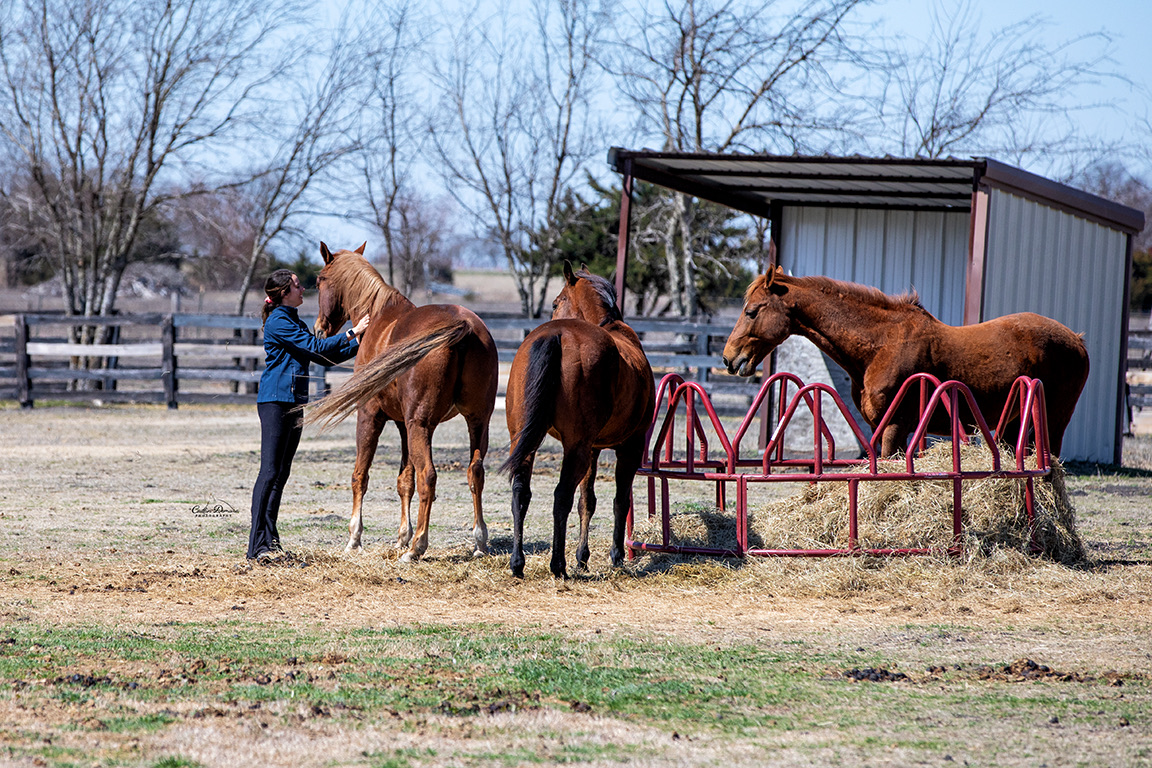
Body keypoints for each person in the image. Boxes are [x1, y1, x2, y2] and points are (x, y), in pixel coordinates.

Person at [247, 269, 369, 564]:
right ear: (284, 293)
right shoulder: (278, 321)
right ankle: (256, 546)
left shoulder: (293, 320)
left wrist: (361, 343)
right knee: (269, 472)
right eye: (297, 286)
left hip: (292, 402)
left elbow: (323, 356)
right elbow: (315, 346)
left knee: (281, 473)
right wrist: (353, 331)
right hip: (276, 402)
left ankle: (270, 542)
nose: (303, 290)